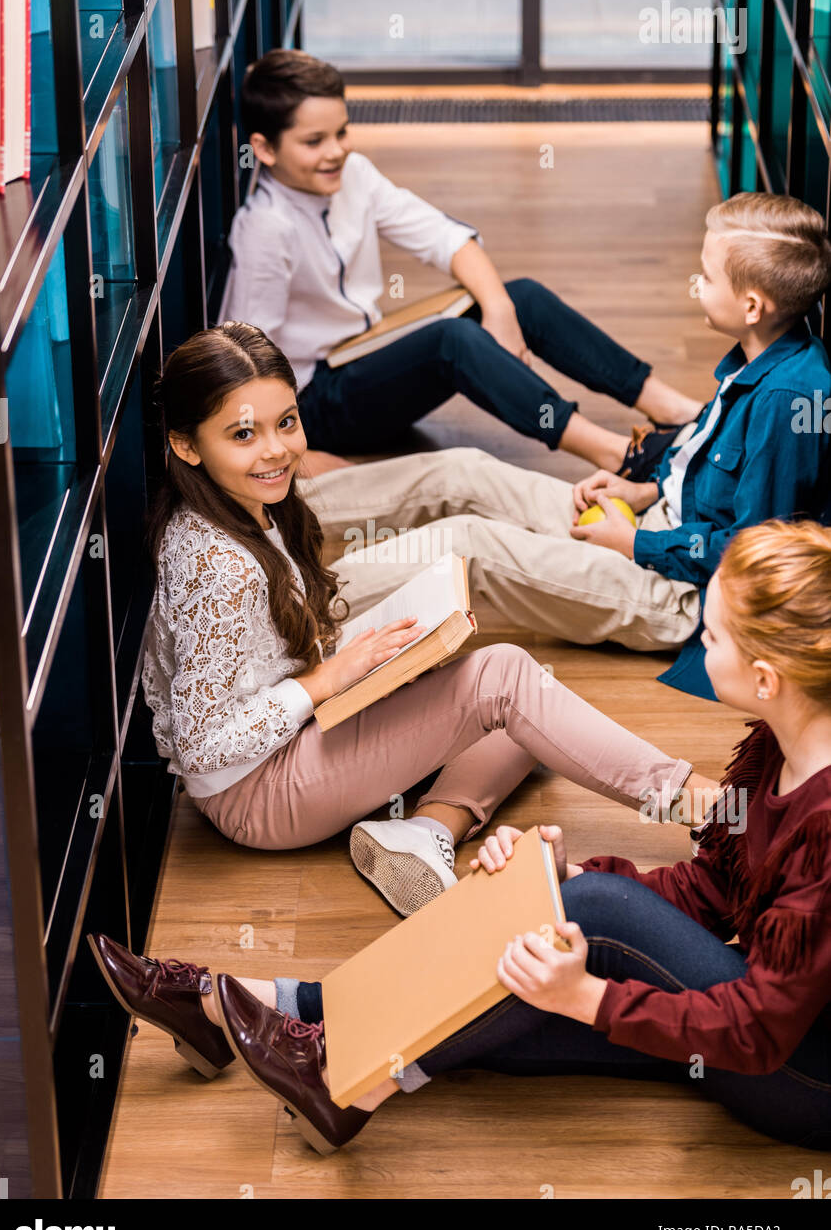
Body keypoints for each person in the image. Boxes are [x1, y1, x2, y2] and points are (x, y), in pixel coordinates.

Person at [93, 518, 831, 1154]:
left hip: (799, 1074)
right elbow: (711, 888)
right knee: (528, 970)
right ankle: (274, 1018)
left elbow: (759, 1033)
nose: (699, 645)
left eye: (712, 636)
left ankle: (334, 1072)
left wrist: (588, 994)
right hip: (762, 1027)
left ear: (766, 678)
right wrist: (559, 882)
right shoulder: (776, 745)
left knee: (580, 933)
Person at [140, 321, 715, 913]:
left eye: (286, 422)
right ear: (186, 444)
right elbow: (203, 745)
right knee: (510, 683)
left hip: (291, 733)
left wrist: (355, 667)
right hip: (258, 792)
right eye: (243, 434)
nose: (277, 449)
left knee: (531, 706)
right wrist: (327, 680)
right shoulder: (217, 565)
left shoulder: (241, 502)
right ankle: (705, 807)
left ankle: (425, 831)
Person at [296, 190, 831, 699]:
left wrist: (634, 544)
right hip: (650, 524)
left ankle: (291, 614)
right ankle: (273, 514)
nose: (696, 284)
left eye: (707, 277)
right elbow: (707, 466)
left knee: (469, 547)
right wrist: (640, 491)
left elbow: (752, 556)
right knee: (461, 469)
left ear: (753, 305)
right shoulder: (755, 356)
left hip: (680, 593)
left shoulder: (788, 398)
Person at [217, 49, 702, 477]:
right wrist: (291, 456)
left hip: (364, 351)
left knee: (521, 297)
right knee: (452, 342)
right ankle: (619, 455)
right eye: (314, 141)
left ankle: (675, 409)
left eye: (342, 132)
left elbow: (446, 239)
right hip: (313, 403)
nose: (337, 150)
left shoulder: (356, 175)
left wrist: (500, 312)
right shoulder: (265, 229)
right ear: (263, 148)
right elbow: (243, 366)